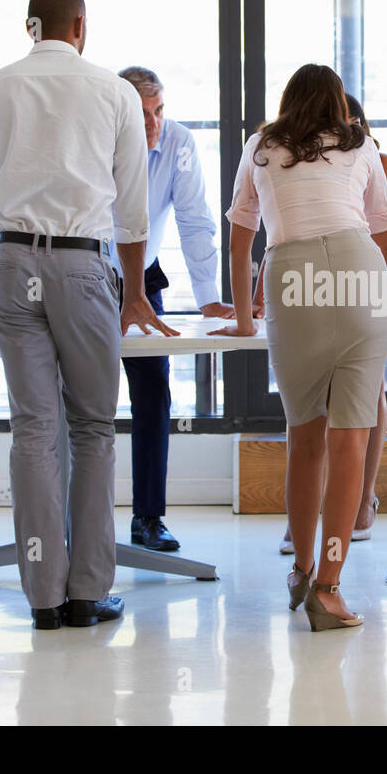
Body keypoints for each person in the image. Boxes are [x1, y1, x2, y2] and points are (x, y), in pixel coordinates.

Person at [0, 0, 176, 630]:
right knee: (91, 429)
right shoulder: (114, 92)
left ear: (32, 26)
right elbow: (133, 211)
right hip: (84, 265)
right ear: (79, 25)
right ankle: (87, 591)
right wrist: (134, 293)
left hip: (13, 261)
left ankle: (42, 597)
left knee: (33, 429)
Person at [213, 64, 387, 631]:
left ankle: (300, 573)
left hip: (292, 277)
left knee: (304, 438)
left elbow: (240, 236)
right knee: (350, 440)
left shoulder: (262, 145)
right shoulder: (363, 146)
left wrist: (246, 319)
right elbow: (382, 235)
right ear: (337, 104)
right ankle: (329, 588)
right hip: (361, 275)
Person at [273, 93, 387, 553]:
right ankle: (311, 535)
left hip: (357, 278)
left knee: (365, 395)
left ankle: (362, 500)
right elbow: (283, 229)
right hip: (319, 281)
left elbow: (385, 238)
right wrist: (252, 303)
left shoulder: (372, 157)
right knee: (310, 406)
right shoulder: (286, 156)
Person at [114, 66, 233, 553]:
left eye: (159, 110)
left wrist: (208, 297)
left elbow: (193, 217)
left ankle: (148, 519)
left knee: (153, 394)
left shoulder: (179, 143)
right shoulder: (96, 140)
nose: (153, 123)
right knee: (86, 400)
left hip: (145, 279)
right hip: (91, 277)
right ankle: (77, 523)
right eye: (143, 113)